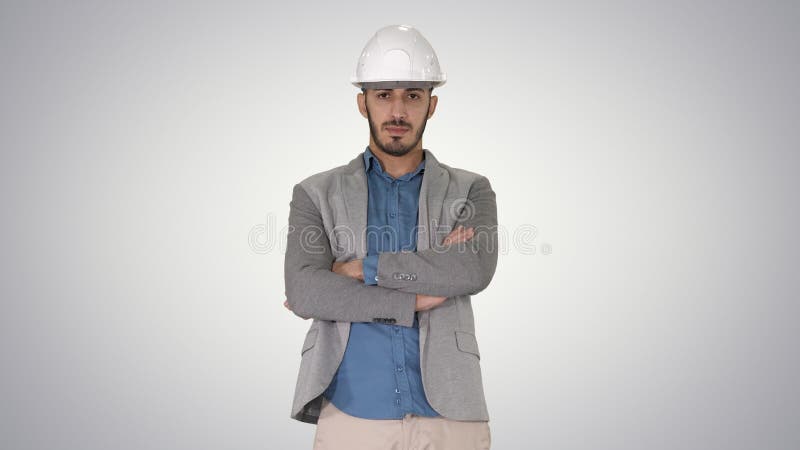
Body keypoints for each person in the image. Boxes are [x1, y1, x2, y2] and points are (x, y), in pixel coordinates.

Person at [283, 24, 498, 450]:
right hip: (351, 410)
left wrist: (360, 269)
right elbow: (305, 291)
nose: (397, 111)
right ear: (362, 103)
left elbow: (471, 268)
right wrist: (415, 298)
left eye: (412, 96)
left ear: (431, 106)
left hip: (450, 413)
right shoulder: (313, 193)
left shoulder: (471, 189)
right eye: (384, 95)